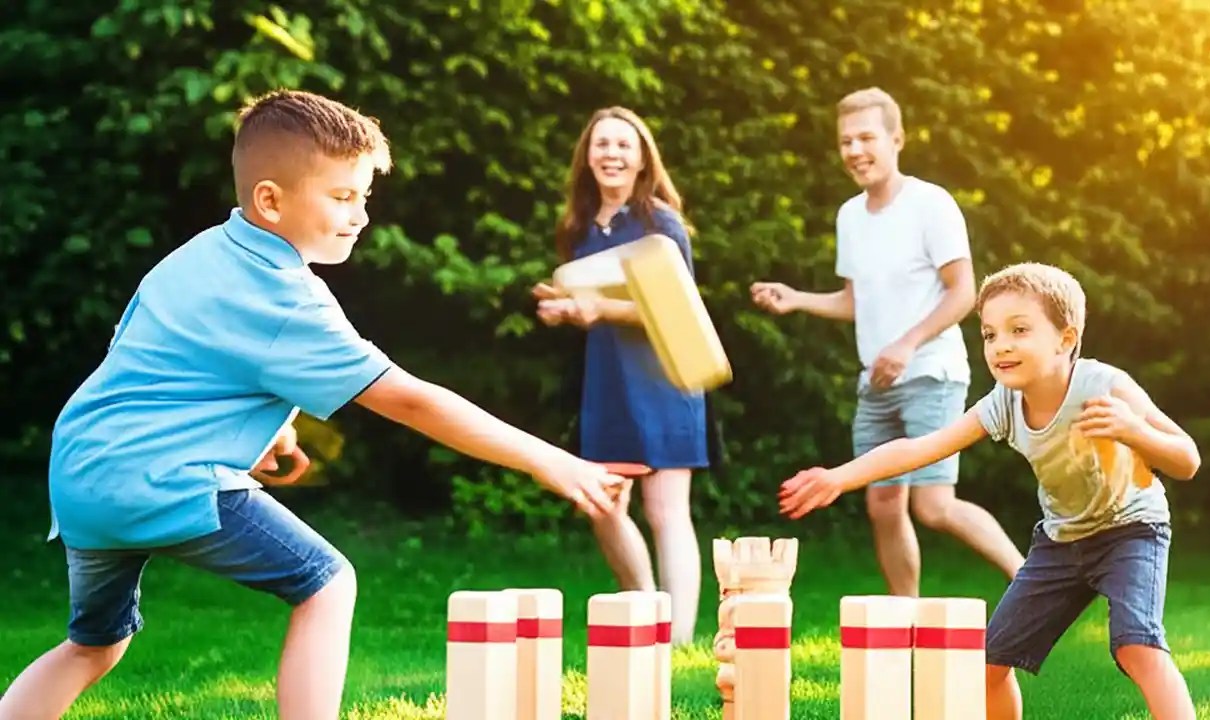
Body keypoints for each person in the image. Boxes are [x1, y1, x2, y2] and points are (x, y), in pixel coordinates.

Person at [0, 89, 623, 720]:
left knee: (94, 644)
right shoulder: (288, 296)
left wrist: (272, 435)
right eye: (341, 196)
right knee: (326, 583)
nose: (360, 216)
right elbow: (410, 401)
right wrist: (552, 461)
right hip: (162, 478)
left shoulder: (198, 255)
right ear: (271, 199)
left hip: (82, 470)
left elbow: (157, 363)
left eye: (363, 197)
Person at [779, 262, 1200, 720]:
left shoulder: (1104, 386)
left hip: (1131, 530)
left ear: (1066, 339)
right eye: (990, 334)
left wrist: (1135, 430)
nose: (1001, 346)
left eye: (1019, 330)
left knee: (1137, 647)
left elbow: (1187, 459)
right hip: (1061, 542)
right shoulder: (1004, 403)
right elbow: (920, 449)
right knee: (987, 665)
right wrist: (839, 477)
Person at [751, 86, 1024, 596]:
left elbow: (964, 292)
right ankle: (906, 618)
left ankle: (1030, 579)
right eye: (846, 141)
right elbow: (856, 301)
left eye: (866, 137)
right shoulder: (850, 216)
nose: (855, 150)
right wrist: (797, 299)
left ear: (897, 138)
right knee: (882, 506)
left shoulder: (930, 204)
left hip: (931, 375)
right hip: (876, 382)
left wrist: (906, 344)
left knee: (934, 506)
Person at [533, 107, 708, 646]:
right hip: (608, 383)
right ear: (588, 156)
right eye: (602, 144)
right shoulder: (580, 226)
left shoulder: (661, 224)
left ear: (641, 159)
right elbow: (591, 297)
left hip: (667, 378)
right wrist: (564, 308)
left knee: (664, 509)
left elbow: (678, 308)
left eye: (623, 146)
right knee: (603, 503)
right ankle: (644, 607)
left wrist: (597, 311)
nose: (611, 154)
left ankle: (676, 640)